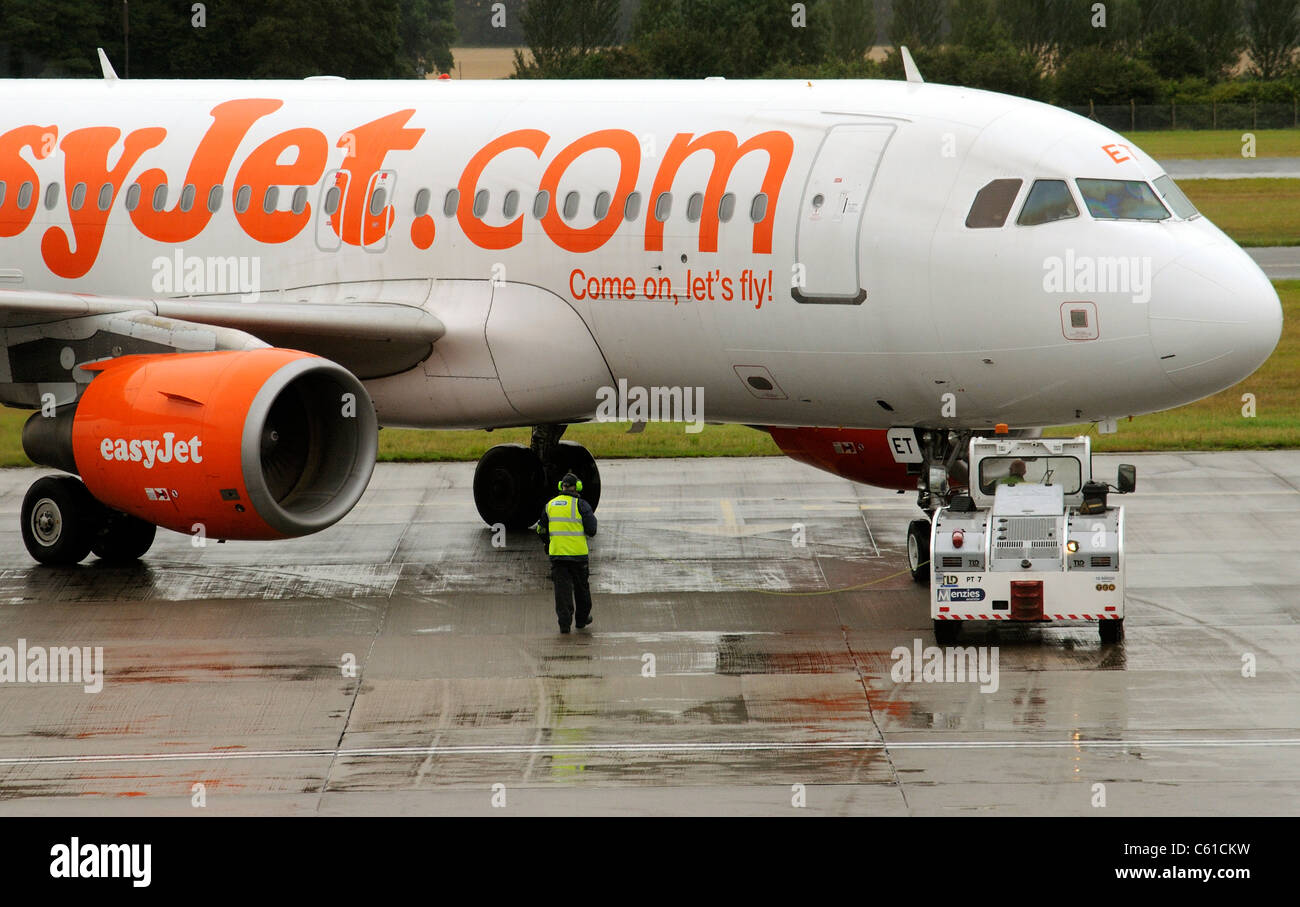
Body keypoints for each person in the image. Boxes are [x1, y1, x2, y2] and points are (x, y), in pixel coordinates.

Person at [536, 473, 597, 633]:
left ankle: (564, 624)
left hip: (558, 556)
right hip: (578, 556)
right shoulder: (581, 505)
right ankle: (581, 620)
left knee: (562, 592)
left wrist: (548, 543)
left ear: (561, 487)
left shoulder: (550, 505)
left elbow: (541, 529)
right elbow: (592, 530)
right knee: (582, 590)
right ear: (577, 487)